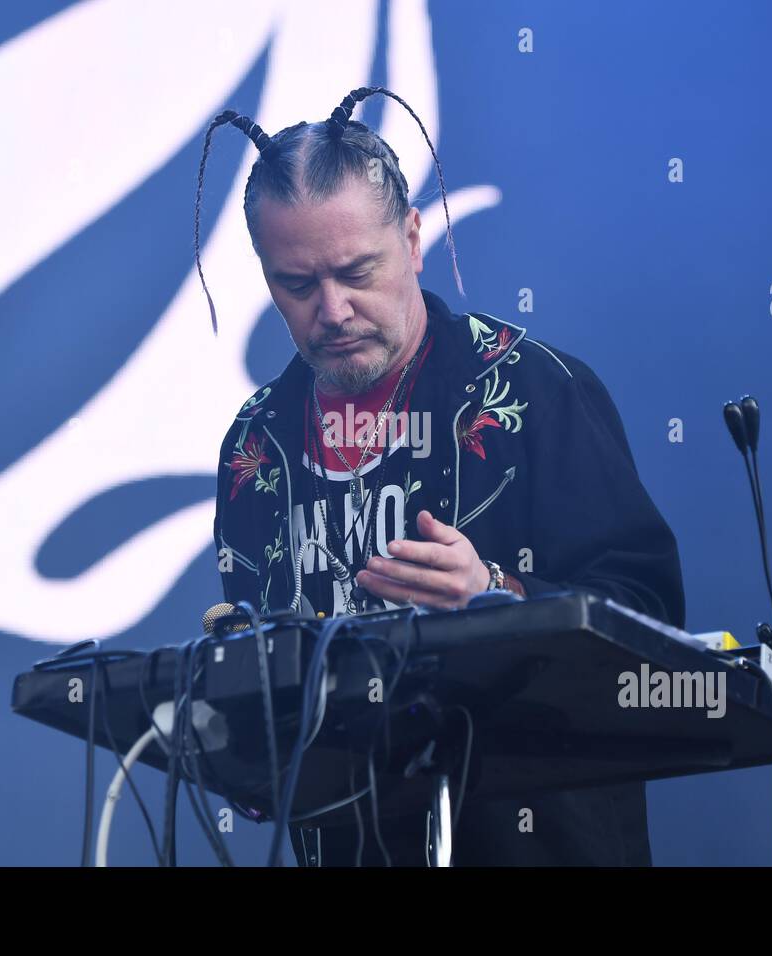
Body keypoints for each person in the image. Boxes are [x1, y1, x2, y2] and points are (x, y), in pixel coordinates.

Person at [198, 87, 685, 866]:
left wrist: (498, 596)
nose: (333, 309)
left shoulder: (534, 389)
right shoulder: (255, 446)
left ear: (413, 238)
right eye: (297, 284)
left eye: (357, 271)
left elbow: (654, 629)